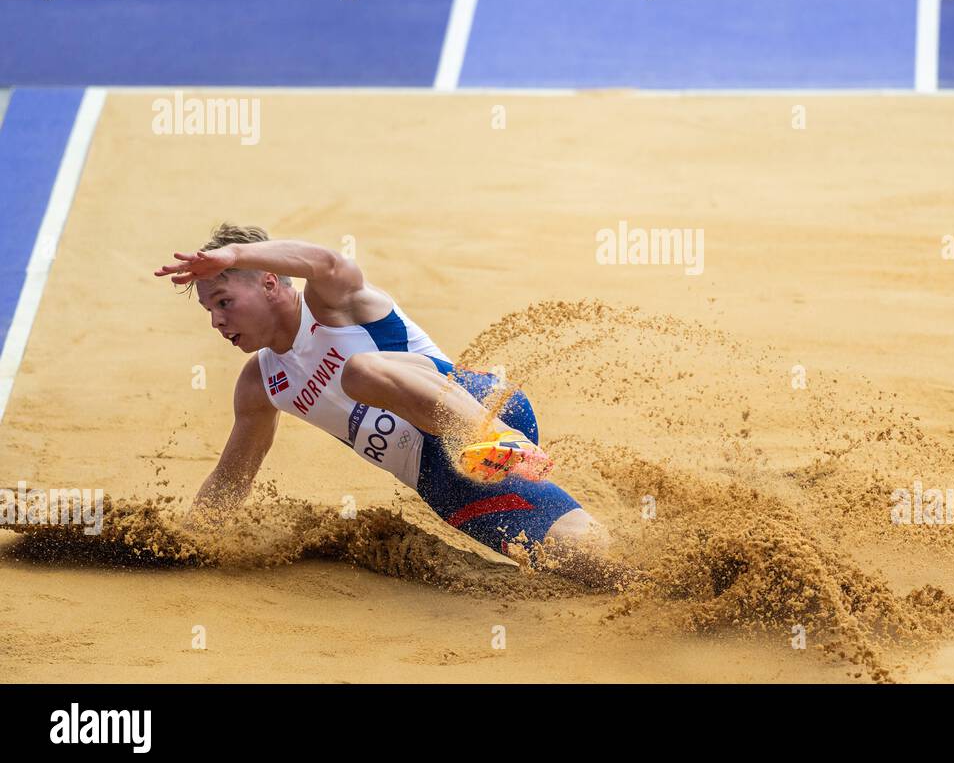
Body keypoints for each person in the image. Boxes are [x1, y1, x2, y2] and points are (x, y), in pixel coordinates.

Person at [155, 222, 620, 586]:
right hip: (445, 480)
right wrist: (186, 543)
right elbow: (232, 476)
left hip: (475, 408)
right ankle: (675, 579)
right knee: (591, 564)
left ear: (270, 283)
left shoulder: (330, 301)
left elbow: (325, 260)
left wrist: (234, 254)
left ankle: (500, 440)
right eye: (209, 311)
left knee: (359, 372)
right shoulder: (262, 382)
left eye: (224, 301)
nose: (217, 321)